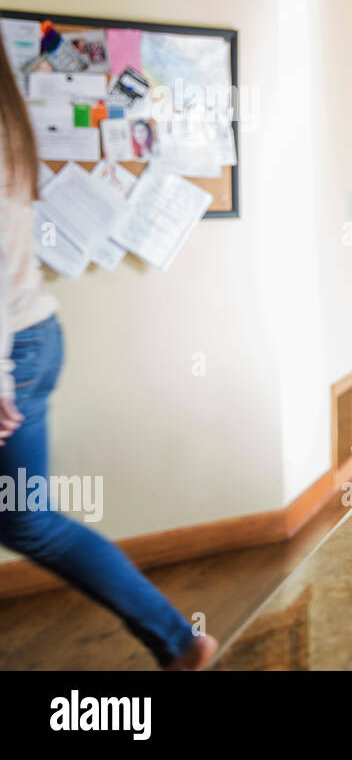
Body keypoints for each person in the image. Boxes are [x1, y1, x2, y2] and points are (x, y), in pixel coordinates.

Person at [0, 39, 217, 669]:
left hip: (13, 348)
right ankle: (180, 641)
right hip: (30, 335)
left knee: (29, 521)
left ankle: (181, 640)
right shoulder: (11, 119)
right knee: (24, 519)